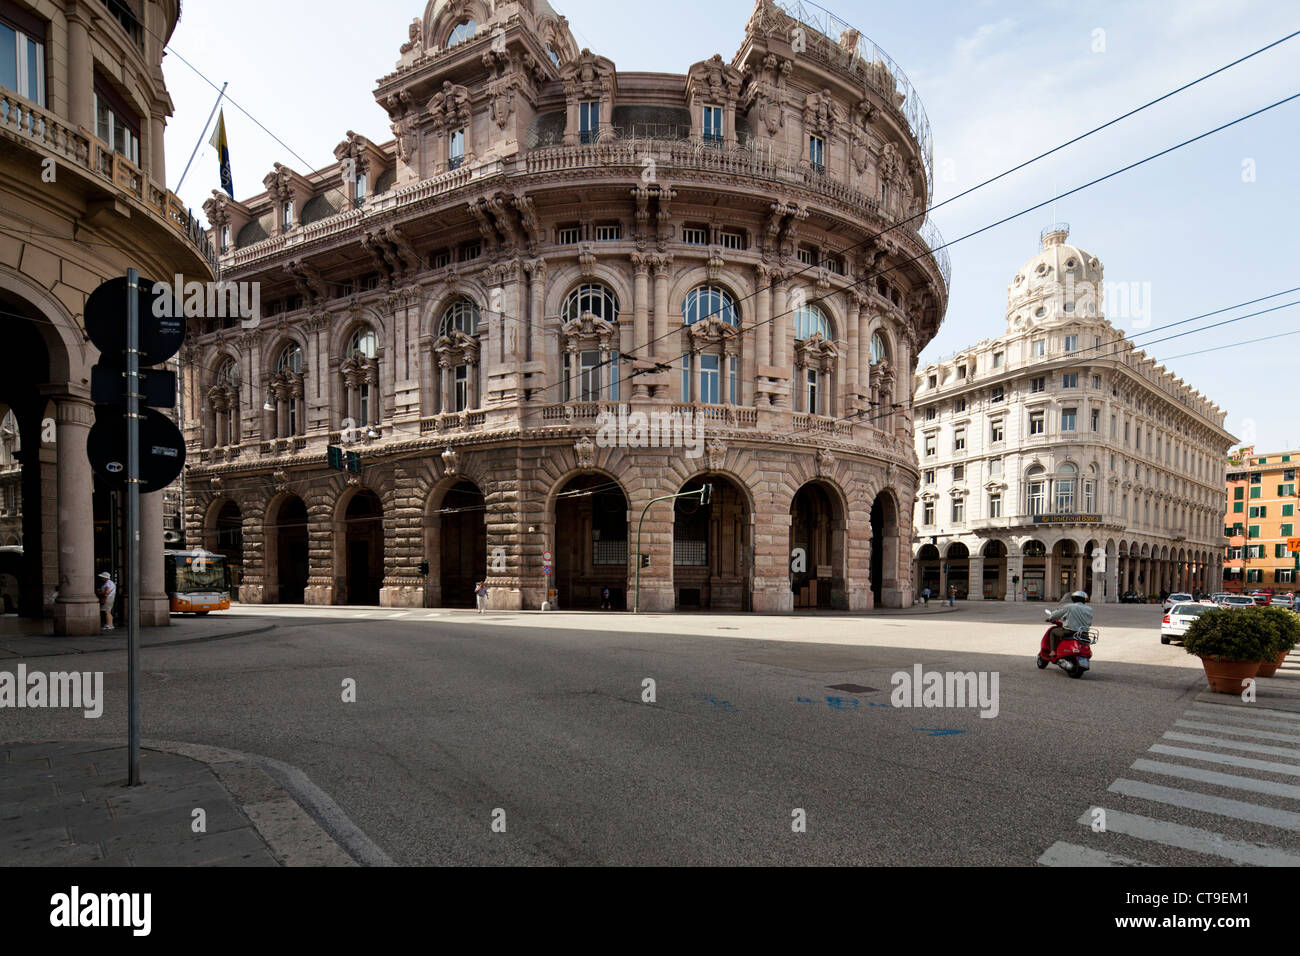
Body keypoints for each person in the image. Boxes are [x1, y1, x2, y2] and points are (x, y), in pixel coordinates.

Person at [1046, 590, 1093, 658]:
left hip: (1070, 631)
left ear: (1073, 598)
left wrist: (1050, 618)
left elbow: (1056, 615)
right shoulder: (1089, 609)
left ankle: (1053, 651)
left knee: (1053, 632)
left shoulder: (1070, 607)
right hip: (1084, 633)